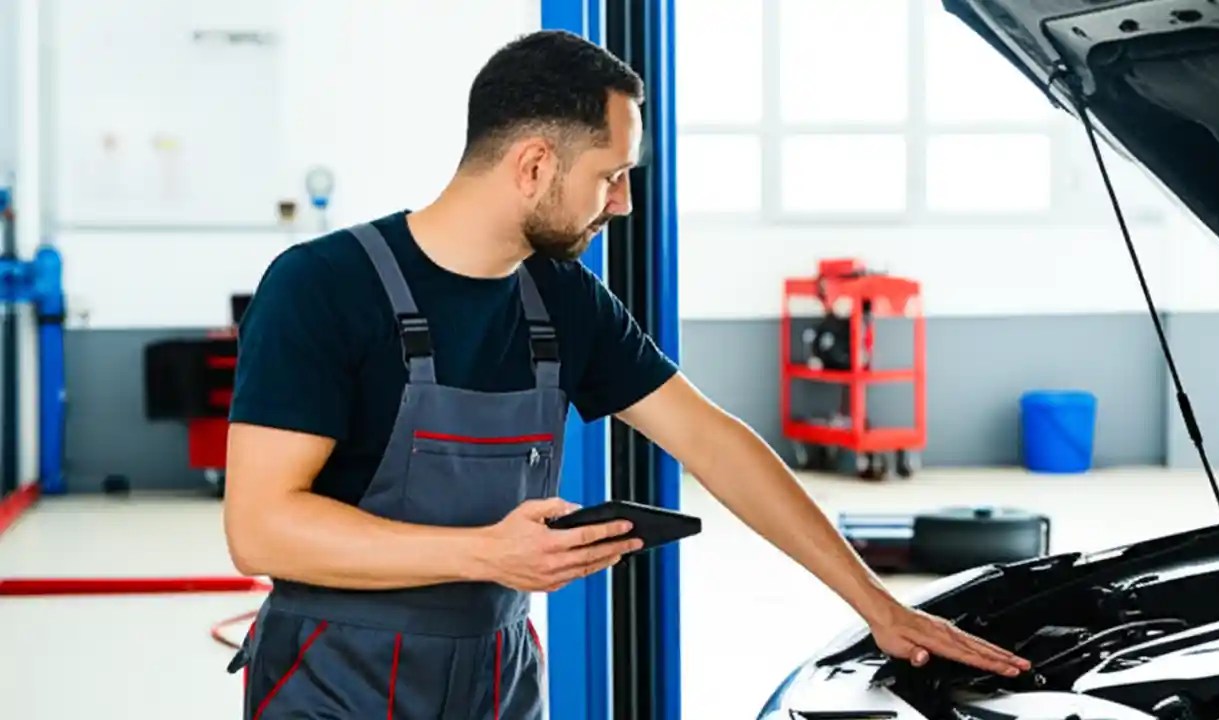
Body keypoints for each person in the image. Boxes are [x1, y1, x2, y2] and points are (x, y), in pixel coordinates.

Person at [221, 29, 1030, 720]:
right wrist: (485, 554)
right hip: (338, 678)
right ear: (535, 164)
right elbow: (259, 527)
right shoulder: (323, 286)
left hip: (498, 673)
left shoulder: (558, 297)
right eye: (611, 174)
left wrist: (876, 606)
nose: (623, 204)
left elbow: (715, 444)